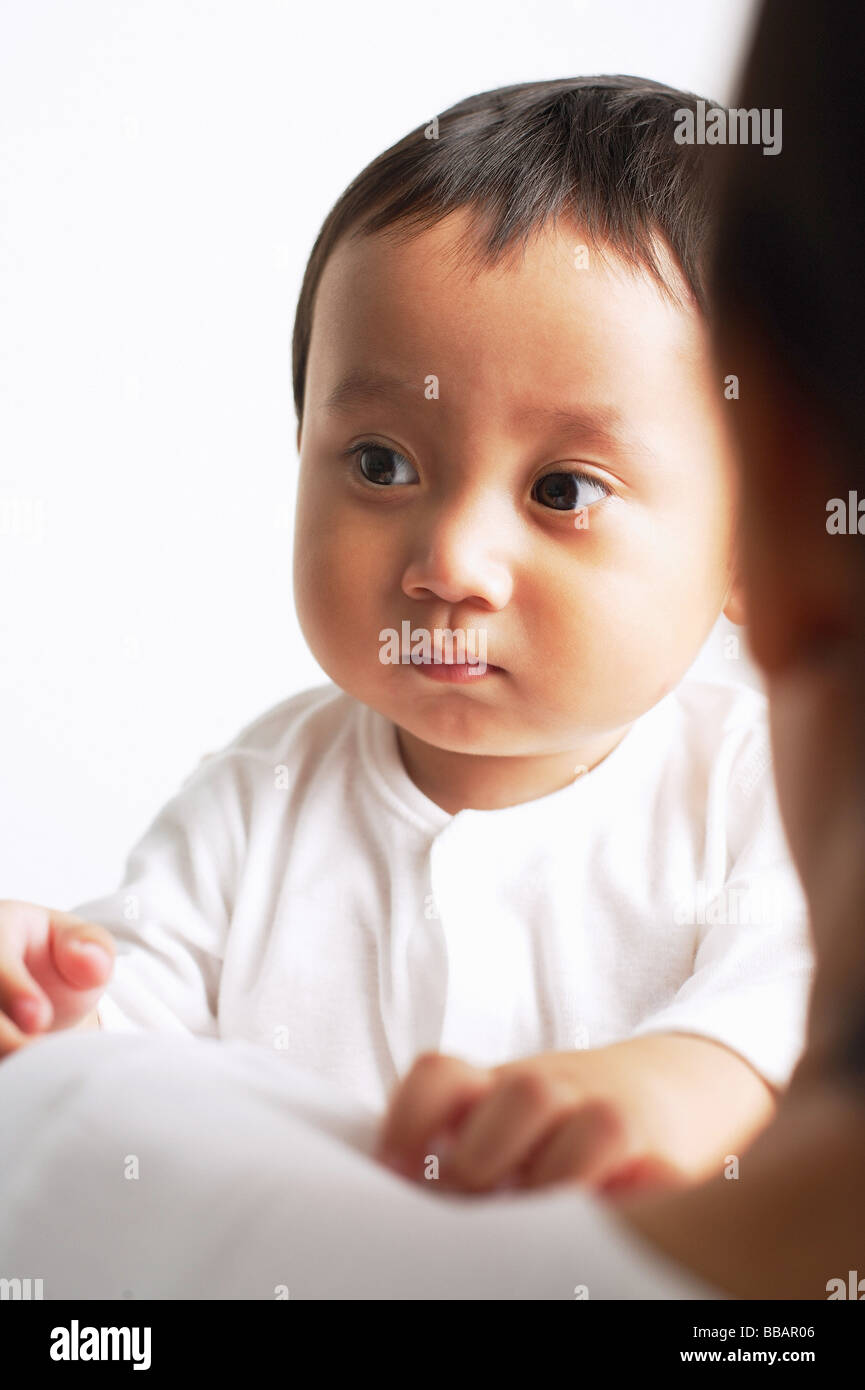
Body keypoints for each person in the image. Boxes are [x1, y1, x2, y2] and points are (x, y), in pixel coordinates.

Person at [0, 0, 862, 1299]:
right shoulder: (256, 796)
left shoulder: (752, 785)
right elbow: (129, 1044)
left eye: (563, 490)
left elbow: (780, 1023)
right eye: (380, 462)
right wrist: (45, 993)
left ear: (749, 541)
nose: (449, 561)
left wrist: (655, 1093)